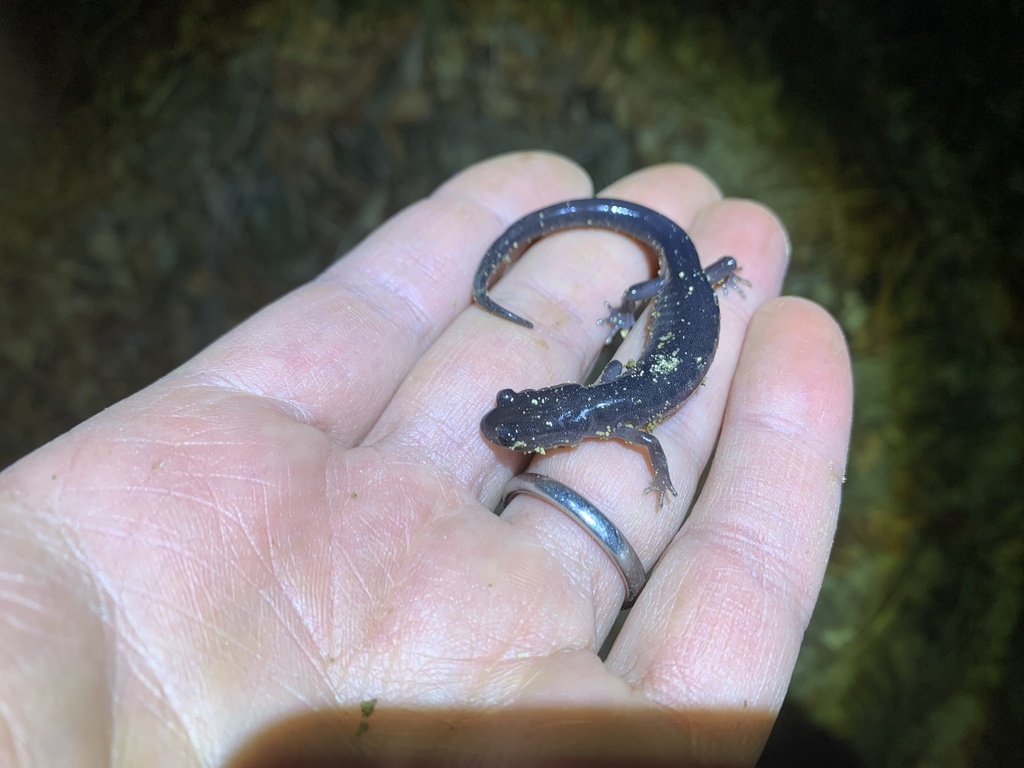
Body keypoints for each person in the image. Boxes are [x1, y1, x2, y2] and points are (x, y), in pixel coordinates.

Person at [0, 153, 852, 766]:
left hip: (688, 289)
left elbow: (654, 441)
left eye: (523, 435)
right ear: (553, 408)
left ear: (558, 435)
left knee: (688, 271)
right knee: (673, 268)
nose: (512, 435)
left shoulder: (622, 417)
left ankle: (703, 274)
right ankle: (670, 275)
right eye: (519, 413)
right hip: (677, 297)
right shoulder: (614, 413)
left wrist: (658, 455)